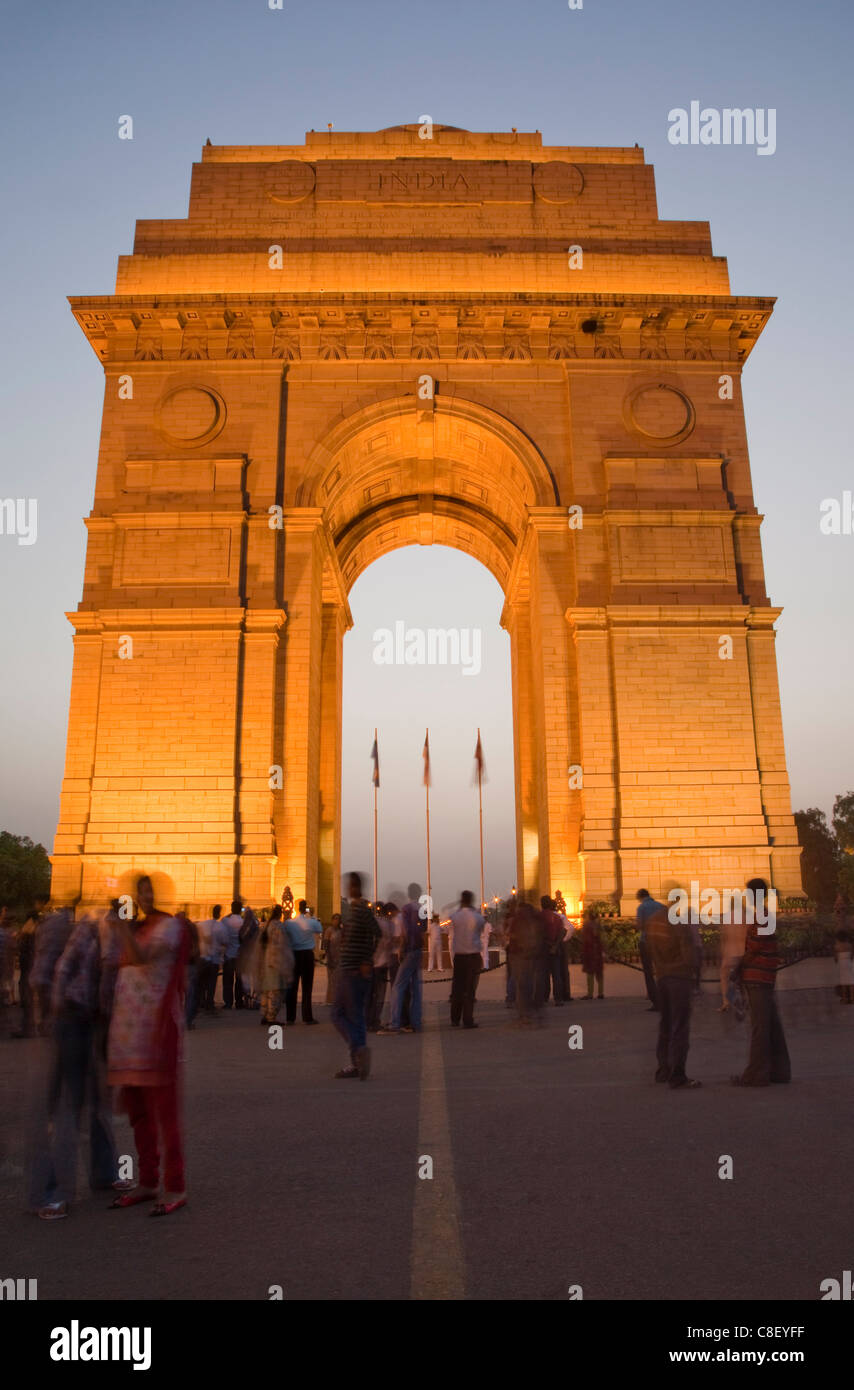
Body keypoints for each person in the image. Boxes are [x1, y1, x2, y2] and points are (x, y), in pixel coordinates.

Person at [28, 909, 122, 1220]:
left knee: (99, 1102)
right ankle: (51, 1193)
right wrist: (51, 1017)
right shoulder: (88, 931)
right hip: (71, 1020)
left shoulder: (117, 935)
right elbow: (52, 975)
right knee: (69, 1107)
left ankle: (104, 1173)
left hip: (94, 1021)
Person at [107, 875, 191, 1216]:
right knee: (140, 1115)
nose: (144, 896)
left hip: (157, 1034)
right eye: (139, 891)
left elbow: (141, 959)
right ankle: (147, 1181)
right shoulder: (139, 927)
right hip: (129, 1039)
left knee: (164, 1115)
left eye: (149, 890)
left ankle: (175, 1186)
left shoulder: (168, 928)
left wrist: (119, 926)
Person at [731, 878, 790, 1087]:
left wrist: (738, 968)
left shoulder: (762, 916)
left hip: (758, 977)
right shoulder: (764, 914)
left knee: (760, 1028)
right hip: (765, 975)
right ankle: (780, 1071)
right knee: (771, 1025)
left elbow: (755, 947)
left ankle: (756, 1075)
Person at [646, 897, 701, 1090]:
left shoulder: (654, 923)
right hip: (679, 979)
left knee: (666, 1025)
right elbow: (689, 955)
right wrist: (693, 974)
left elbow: (650, 949)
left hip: (662, 977)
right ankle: (678, 1075)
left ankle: (663, 1070)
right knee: (680, 1027)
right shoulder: (678, 924)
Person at [331, 873, 380, 1079]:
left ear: (354, 887)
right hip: (350, 969)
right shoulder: (355, 909)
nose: (346, 889)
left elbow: (377, 932)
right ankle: (357, 1057)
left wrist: (366, 961)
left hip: (353, 972)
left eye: (349, 885)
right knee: (352, 1015)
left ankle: (358, 1051)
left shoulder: (360, 909)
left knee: (341, 1015)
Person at [380, 883, 425, 1034]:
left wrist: (401, 950)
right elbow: (423, 930)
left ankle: (394, 1023)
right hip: (419, 950)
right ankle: (415, 1023)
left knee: (398, 987)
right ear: (419, 893)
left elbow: (405, 932)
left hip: (409, 951)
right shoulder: (422, 909)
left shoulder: (406, 909)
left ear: (409, 893)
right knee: (416, 989)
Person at [30, 904, 75, 1034]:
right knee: (51, 1002)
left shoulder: (44, 927)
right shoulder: (66, 928)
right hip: (52, 974)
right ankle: (48, 1025)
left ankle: (44, 1024)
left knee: (44, 1001)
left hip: (41, 972)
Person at [448, 891, 485, 1028]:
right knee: (470, 989)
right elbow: (480, 931)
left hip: (459, 956)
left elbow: (451, 921)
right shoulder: (478, 917)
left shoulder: (455, 916)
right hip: (473, 955)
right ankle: (468, 1019)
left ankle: (454, 1019)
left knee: (457, 987)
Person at [285, 900, 322, 1024]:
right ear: (305, 908)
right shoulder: (311, 922)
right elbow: (320, 928)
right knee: (307, 988)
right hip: (307, 955)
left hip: (294, 955)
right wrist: (311, 915)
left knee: (292, 987)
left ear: (295, 907)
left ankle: (290, 1018)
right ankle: (307, 1017)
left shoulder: (290, 923)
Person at [257, 906, 295, 1024]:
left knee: (266, 990)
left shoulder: (265, 925)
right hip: (275, 961)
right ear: (280, 914)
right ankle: (271, 1017)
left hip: (265, 961)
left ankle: (264, 1014)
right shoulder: (279, 926)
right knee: (276, 990)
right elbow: (282, 945)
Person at [635, 889, 662, 1011]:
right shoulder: (661, 906)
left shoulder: (642, 907)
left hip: (647, 941)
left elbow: (639, 925)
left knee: (649, 973)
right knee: (662, 970)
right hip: (661, 941)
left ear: (640, 897)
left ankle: (655, 1000)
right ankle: (665, 997)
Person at [196, 905, 225, 1013]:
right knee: (211, 984)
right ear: (219, 913)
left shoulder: (202, 925)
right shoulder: (221, 927)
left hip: (203, 958)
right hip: (214, 960)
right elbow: (225, 941)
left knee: (202, 983)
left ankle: (201, 1002)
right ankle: (209, 1004)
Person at [718, 908, 747, 1013]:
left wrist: (722, 951)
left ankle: (726, 1002)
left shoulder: (727, 916)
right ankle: (744, 1000)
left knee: (724, 977)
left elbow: (723, 936)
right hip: (743, 952)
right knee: (742, 978)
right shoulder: (745, 916)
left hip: (730, 953)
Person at [541, 896, 568, 1005]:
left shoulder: (539, 917)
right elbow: (562, 932)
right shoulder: (557, 918)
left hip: (543, 950)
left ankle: (544, 998)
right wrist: (555, 946)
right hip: (555, 949)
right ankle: (558, 998)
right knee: (556, 975)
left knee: (544, 975)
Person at [220, 901, 243, 1009]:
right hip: (240, 955)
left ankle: (228, 1003)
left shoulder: (225, 921)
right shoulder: (243, 921)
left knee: (227, 981)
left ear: (231, 908)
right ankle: (239, 1002)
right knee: (239, 981)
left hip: (229, 954)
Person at [580, 907, 604, 1000]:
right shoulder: (598, 925)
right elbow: (602, 939)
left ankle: (590, 993)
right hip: (597, 950)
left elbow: (584, 938)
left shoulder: (586, 925)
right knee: (599, 972)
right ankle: (601, 993)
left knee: (590, 973)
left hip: (589, 950)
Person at [322, 913, 342, 1003]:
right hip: (331, 957)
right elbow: (326, 944)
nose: (336, 921)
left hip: (340, 958)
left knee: (339, 980)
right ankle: (330, 999)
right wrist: (328, 958)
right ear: (332, 920)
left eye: (338, 919)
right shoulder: (329, 930)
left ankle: (338, 999)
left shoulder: (341, 931)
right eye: (335, 919)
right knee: (331, 980)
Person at [835, 929, 854, 1004]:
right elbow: (852, 956)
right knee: (851, 981)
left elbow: (836, 958)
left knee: (843, 982)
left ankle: (845, 999)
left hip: (842, 964)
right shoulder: (850, 945)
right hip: (849, 963)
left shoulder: (837, 946)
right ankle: (852, 999)